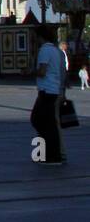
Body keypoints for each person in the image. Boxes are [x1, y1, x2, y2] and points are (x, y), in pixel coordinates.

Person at [32, 27, 65, 164]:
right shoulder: (56, 50)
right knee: (45, 122)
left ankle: (52, 155)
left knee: (40, 121)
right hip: (54, 89)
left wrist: (29, 72)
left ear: (40, 37)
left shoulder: (44, 50)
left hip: (46, 90)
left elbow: (42, 71)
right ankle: (46, 154)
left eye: (35, 37)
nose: (34, 39)